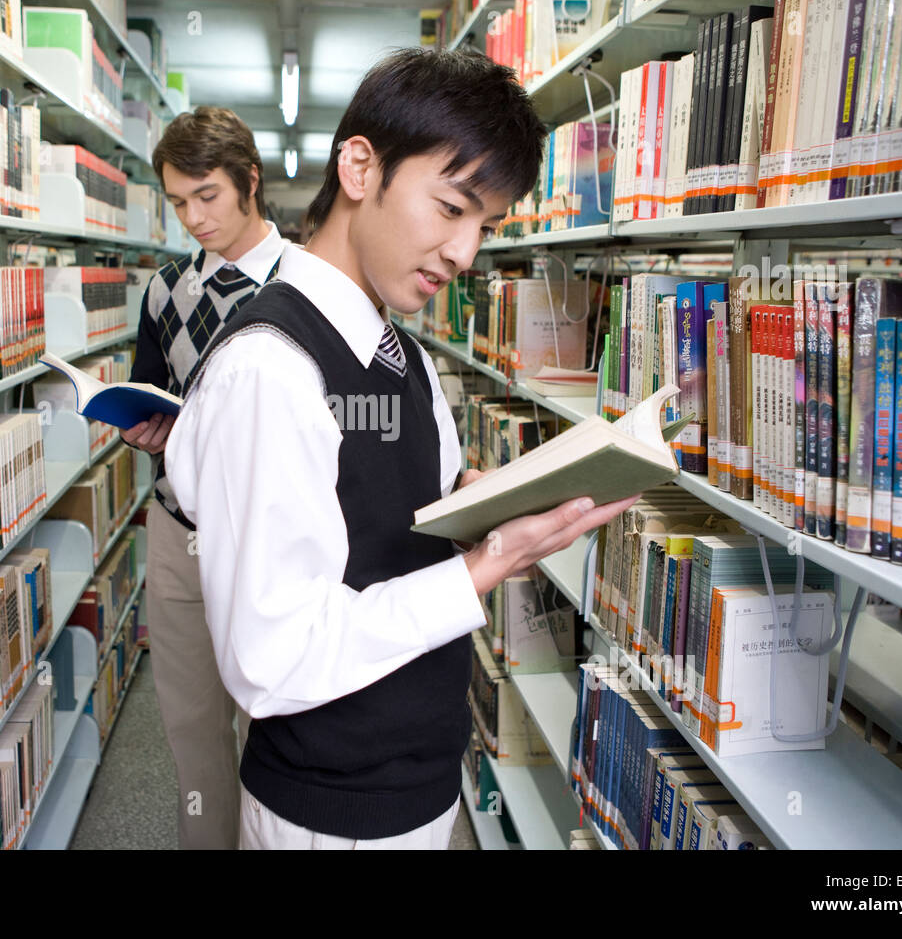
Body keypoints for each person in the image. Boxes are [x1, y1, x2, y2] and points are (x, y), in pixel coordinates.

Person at [165, 48, 639, 850]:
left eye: (485, 226)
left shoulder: (405, 355)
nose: (466, 254)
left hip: (417, 782)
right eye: (452, 208)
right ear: (359, 167)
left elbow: (387, 527)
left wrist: (476, 506)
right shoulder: (267, 369)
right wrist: (482, 567)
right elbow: (270, 656)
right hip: (329, 812)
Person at [119, 106, 287, 850]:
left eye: (207, 196)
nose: (192, 218)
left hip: (273, 538)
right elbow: (148, 390)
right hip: (179, 531)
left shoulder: (308, 284)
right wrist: (144, 432)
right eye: (178, 201)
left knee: (277, 722)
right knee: (192, 727)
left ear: (250, 181)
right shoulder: (164, 291)